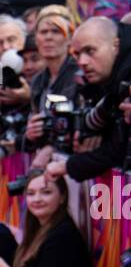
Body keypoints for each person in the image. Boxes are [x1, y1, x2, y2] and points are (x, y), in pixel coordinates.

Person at [45, 17, 131, 184]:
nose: (82, 62)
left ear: (116, 45)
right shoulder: (110, 81)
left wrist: (71, 166)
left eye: (90, 51)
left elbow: (116, 151)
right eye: (77, 54)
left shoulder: (125, 77)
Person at [24, 6, 78, 171]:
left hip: (72, 163)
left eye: (56, 31)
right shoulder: (38, 80)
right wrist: (31, 133)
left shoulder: (79, 75)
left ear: (69, 38)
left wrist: (51, 148)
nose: (48, 37)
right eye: (43, 32)